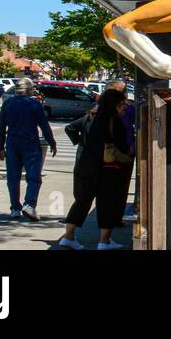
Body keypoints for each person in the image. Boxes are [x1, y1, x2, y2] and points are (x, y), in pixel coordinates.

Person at [58, 87, 132, 250]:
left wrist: (82, 142)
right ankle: (104, 241)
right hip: (106, 169)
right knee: (107, 203)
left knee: (81, 202)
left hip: (85, 166)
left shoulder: (90, 117)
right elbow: (122, 145)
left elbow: (70, 128)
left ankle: (68, 237)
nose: (124, 107)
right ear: (114, 104)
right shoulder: (114, 121)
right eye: (122, 103)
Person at [0, 77, 57, 220]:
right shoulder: (34, 104)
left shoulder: (8, 104)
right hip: (30, 143)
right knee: (34, 176)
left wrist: (0, 146)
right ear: (29, 89)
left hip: (12, 143)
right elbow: (44, 126)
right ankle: (29, 204)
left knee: (13, 177)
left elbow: (1, 127)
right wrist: (52, 142)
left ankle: (14, 208)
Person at [106, 77, 138, 223]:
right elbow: (139, 127)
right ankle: (116, 217)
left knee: (109, 188)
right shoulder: (129, 108)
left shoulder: (100, 108)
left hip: (110, 153)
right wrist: (132, 147)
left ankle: (111, 217)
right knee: (121, 187)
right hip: (125, 152)